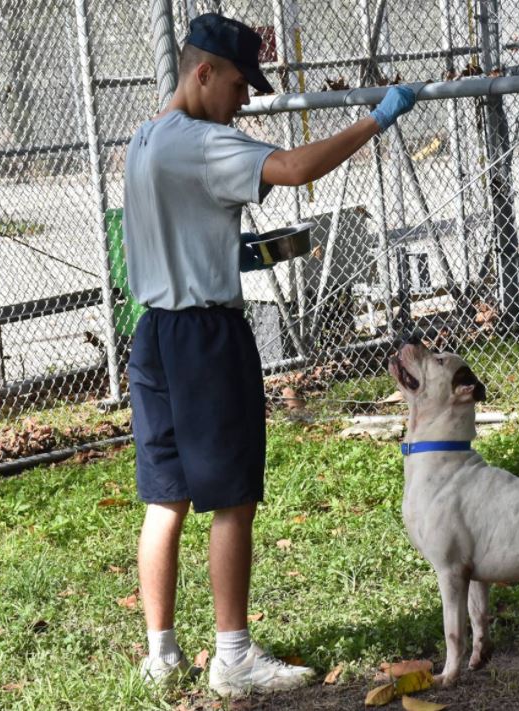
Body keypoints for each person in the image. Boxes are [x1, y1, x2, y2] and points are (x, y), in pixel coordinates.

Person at [122, 13, 416, 698]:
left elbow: (177, 224)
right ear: (202, 72)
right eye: (237, 83)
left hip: (153, 335)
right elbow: (291, 168)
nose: (245, 100)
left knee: (165, 497)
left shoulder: (144, 138)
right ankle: (232, 656)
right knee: (233, 498)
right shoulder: (201, 141)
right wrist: (377, 119)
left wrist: (227, 249)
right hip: (204, 339)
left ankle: (160, 654)